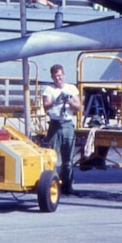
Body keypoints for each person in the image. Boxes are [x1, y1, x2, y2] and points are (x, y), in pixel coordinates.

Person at [41, 64, 81, 194]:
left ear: (63, 75)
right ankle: (50, 185)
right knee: (52, 157)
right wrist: (56, 101)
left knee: (68, 159)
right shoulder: (49, 89)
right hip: (55, 125)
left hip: (68, 125)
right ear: (52, 77)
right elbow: (46, 106)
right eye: (55, 76)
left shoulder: (72, 88)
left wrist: (69, 102)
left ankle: (68, 185)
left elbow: (79, 107)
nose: (58, 78)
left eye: (59, 75)